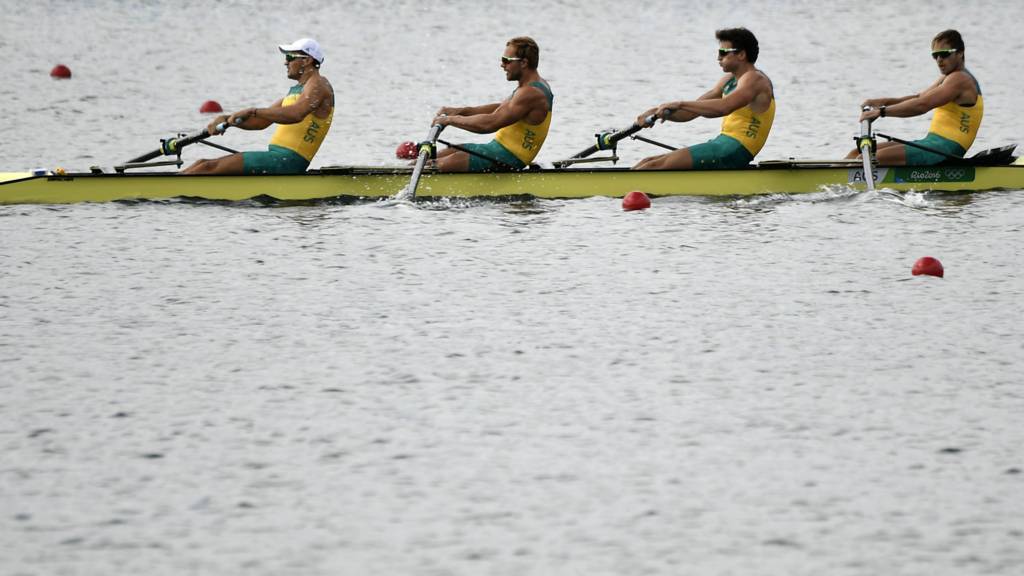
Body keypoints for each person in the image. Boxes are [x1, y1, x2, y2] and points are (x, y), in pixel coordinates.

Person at [182, 38, 334, 175]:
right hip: (277, 158)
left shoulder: (318, 84)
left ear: (307, 60)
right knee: (201, 164)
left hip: (288, 161)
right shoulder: (297, 92)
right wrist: (227, 120)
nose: (285, 63)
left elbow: (296, 114)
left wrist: (252, 110)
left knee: (208, 168)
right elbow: (260, 122)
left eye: (289, 57)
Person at [633, 28, 775, 170]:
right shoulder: (728, 81)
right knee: (647, 162)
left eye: (723, 53)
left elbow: (723, 107)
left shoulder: (755, 79)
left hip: (736, 150)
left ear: (741, 54)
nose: (718, 58)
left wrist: (680, 103)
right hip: (722, 144)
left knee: (653, 166)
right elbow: (690, 113)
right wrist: (655, 112)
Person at [848, 30, 982, 166]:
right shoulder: (947, 78)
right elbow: (919, 97)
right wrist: (882, 102)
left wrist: (881, 112)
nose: (939, 60)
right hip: (930, 144)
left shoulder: (960, 79)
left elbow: (922, 105)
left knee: (867, 159)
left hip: (945, 150)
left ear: (960, 53)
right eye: (935, 56)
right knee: (855, 154)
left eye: (944, 54)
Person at [430, 37, 553, 172]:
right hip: (495, 150)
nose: (502, 65)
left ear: (523, 62)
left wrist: (449, 120)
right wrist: (461, 111)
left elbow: (489, 124)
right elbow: (500, 109)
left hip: (508, 158)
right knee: (428, 159)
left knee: (433, 166)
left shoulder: (531, 93)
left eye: (506, 60)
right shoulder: (529, 86)